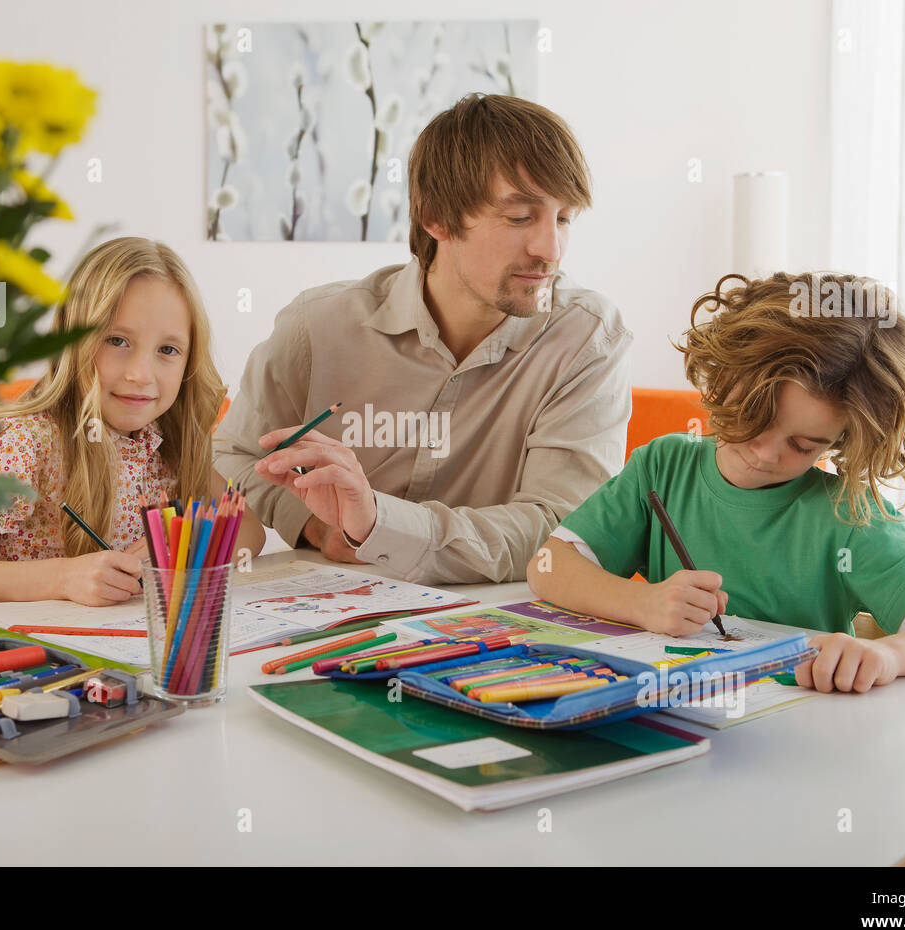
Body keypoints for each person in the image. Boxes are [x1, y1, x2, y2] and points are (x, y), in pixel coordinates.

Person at [526, 272, 905, 693]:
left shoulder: (848, 518)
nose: (765, 454)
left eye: (804, 446)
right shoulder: (663, 467)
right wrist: (641, 602)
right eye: (755, 417)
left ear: (842, 439)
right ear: (723, 379)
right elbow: (549, 567)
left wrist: (888, 656)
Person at [214, 94, 632, 584]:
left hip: (492, 630)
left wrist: (377, 524)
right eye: (520, 217)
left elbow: (563, 530)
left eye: (563, 218)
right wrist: (311, 526)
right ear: (436, 217)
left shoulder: (586, 338)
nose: (550, 249)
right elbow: (235, 456)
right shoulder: (319, 327)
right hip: (332, 614)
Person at [0, 237, 264, 608]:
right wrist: (64, 577)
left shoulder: (165, 440)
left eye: (167, 350)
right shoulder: (21, 442)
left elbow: (248, 530)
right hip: (28, 657)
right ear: (73, 339)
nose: (140, 374)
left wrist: (186, 546)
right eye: (117, 340)